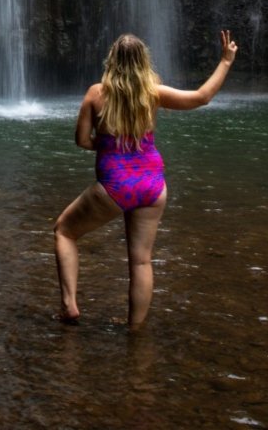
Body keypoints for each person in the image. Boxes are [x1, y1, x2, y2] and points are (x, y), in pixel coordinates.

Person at [53, 30, 238, 327]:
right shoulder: (152, 93)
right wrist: (226, 61)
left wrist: (110, 144)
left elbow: (81, 140)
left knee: (65, 231)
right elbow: (202, 97)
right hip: (153, 184)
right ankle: (135, 331)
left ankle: (69, 305)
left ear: (112, 60)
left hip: (115, 185)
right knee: (140, 260)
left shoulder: (95, 94)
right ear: (143, 61)